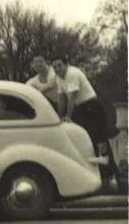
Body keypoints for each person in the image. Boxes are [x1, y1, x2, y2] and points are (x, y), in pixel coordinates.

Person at [52, 56, 122, 188]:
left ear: (66, 64)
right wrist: (57, 116)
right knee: (85, 142)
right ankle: (97, 176)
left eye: (59, 65)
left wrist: (67, 116)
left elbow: (71, 98)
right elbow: (62, 99)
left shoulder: (73, 73)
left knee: (100, 141)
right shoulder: (58, 78)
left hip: (92, 108)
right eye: (54, 67)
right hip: (82, 110)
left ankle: (112, 176)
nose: (57, 69)